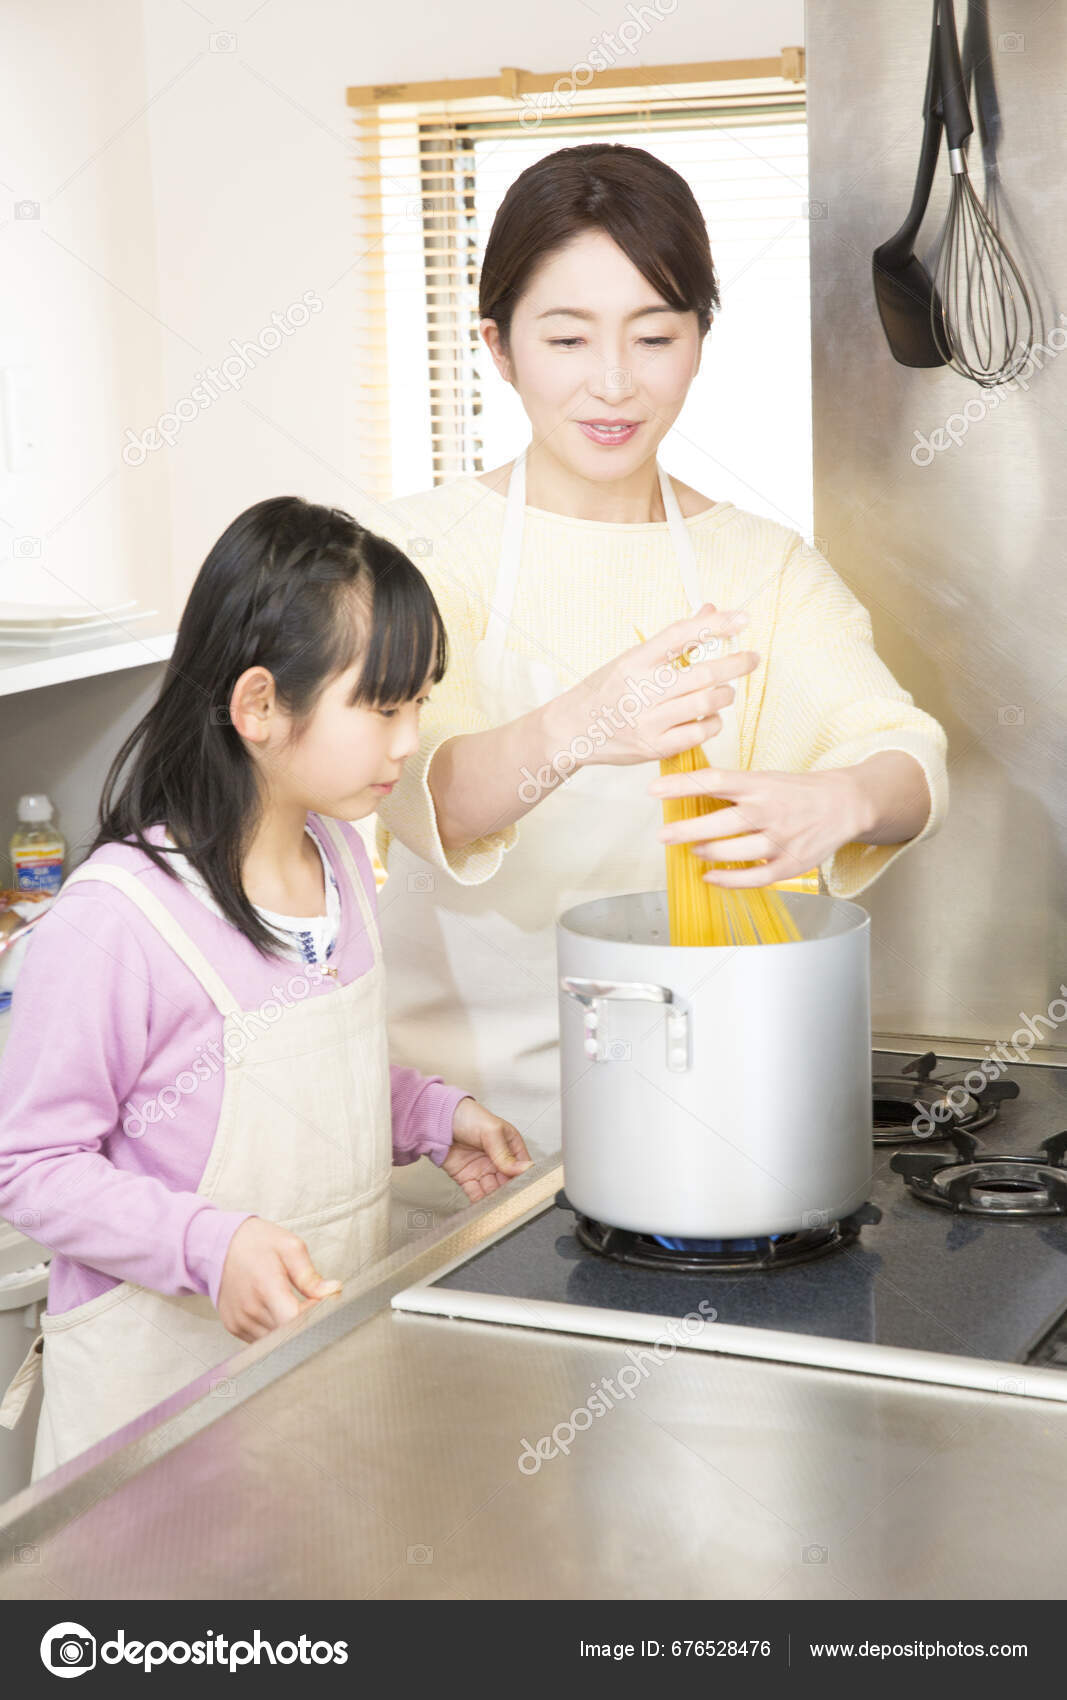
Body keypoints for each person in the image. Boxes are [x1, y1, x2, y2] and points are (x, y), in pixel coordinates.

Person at [369, 142, 948, 1181]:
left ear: (697, 341)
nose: (612, 381)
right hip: (450, 1138)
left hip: (689, 1123)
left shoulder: (758, 569)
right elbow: (415, 793)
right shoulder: (405, 555)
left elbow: (906, 754)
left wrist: (843, 797)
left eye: (653, 335)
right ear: (498, 348)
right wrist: (578, 725)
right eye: (565, 336)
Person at [0, 497, 530, 1479]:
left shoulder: (338, 857)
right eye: (381, 705)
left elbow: (304, 1086)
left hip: (312, 1411)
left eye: (418, 701)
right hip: (149, 1444)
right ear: (257, 707)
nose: (409, 739)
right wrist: (209, 1245)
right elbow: (30, 1165)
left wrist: (426, 1113)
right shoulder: (117, 918)